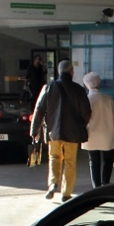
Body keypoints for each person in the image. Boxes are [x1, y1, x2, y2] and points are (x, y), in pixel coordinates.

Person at [31, 59, 91, 201]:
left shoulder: (48, 87)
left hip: (53, 132)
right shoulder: (78, 89)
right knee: (70, 162)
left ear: (59, 72)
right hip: (73, 132)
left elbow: (39, 110)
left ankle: (53, 184)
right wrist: (81, 123)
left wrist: (35, 130)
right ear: (72, 72)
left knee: (54, 158)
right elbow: (86, 112)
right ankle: (66, 193)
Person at [82, 72, 114, 188]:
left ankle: (96, 186)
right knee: (108, 160)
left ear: (87, 85)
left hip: (91, 135)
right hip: (108, 135)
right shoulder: (108, 99)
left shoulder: (86, 100)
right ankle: (105, 183)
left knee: (93, 162)